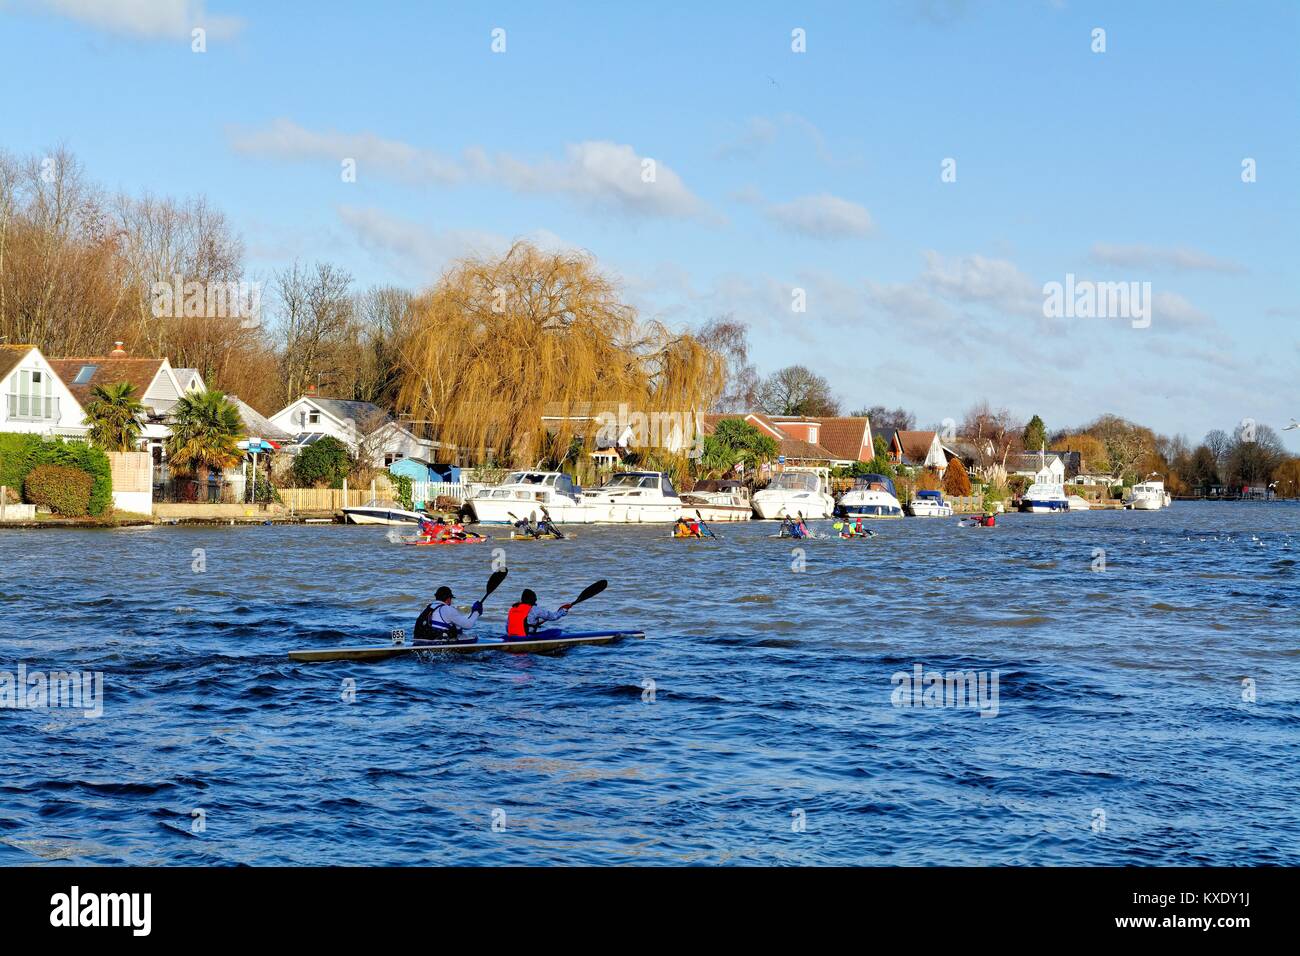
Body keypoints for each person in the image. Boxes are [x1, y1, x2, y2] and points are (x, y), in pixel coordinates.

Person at [414, 585, 482, 644]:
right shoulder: (447, 609)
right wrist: (476, 612)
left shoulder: (427, 608)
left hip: (419, 640)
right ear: (448, 599)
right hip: (436, 643)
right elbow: (468, 625)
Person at [506, 589, 573, 639]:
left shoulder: (513, 609)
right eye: (535, 600)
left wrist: (536, 624)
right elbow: (554, 617)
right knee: (557, 631)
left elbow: (508, 627)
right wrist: (563, 611)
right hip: (526, 637)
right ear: (533, 599)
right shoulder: (535, 609)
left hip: (511, 636)